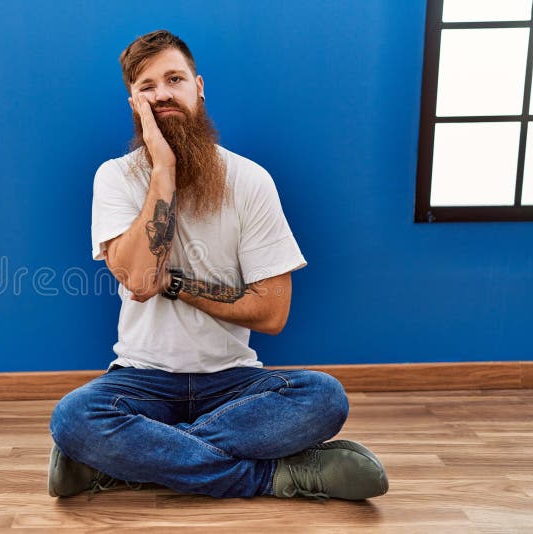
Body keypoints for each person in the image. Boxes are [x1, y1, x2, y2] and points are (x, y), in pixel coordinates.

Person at [48, 29, 388, 501]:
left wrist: (178, 283)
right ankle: (279, 476)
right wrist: (163, 171)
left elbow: (272, 313)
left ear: (199, 87)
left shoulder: (249, 180)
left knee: (324, 396)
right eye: (147, 86)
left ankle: (128, 464)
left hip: (234, 382)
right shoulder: (116, 177)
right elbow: (142, 281)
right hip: (141, 379)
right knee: (74, 418)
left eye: (174, 79)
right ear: (134, 102)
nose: (162, 92)